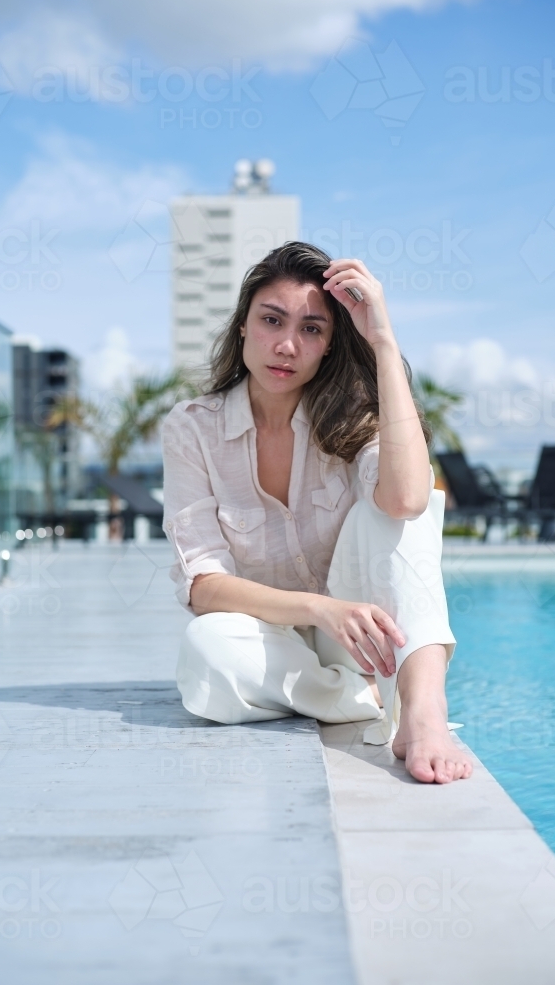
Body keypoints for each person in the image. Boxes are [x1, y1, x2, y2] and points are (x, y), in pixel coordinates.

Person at [162, 242, 472, 784]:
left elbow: (406, 500)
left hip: (364, 640)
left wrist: (382, 339)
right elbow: (203, 585)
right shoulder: (193, 429)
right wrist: (318, 609)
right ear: (242, 326)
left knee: (404, 501)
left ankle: (424, 713)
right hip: (274, 635)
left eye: (311, 329)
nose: (286, 345)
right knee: (205, 652)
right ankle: (361, 698)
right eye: (271, 320)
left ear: (329, 344)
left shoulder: (352, 419)